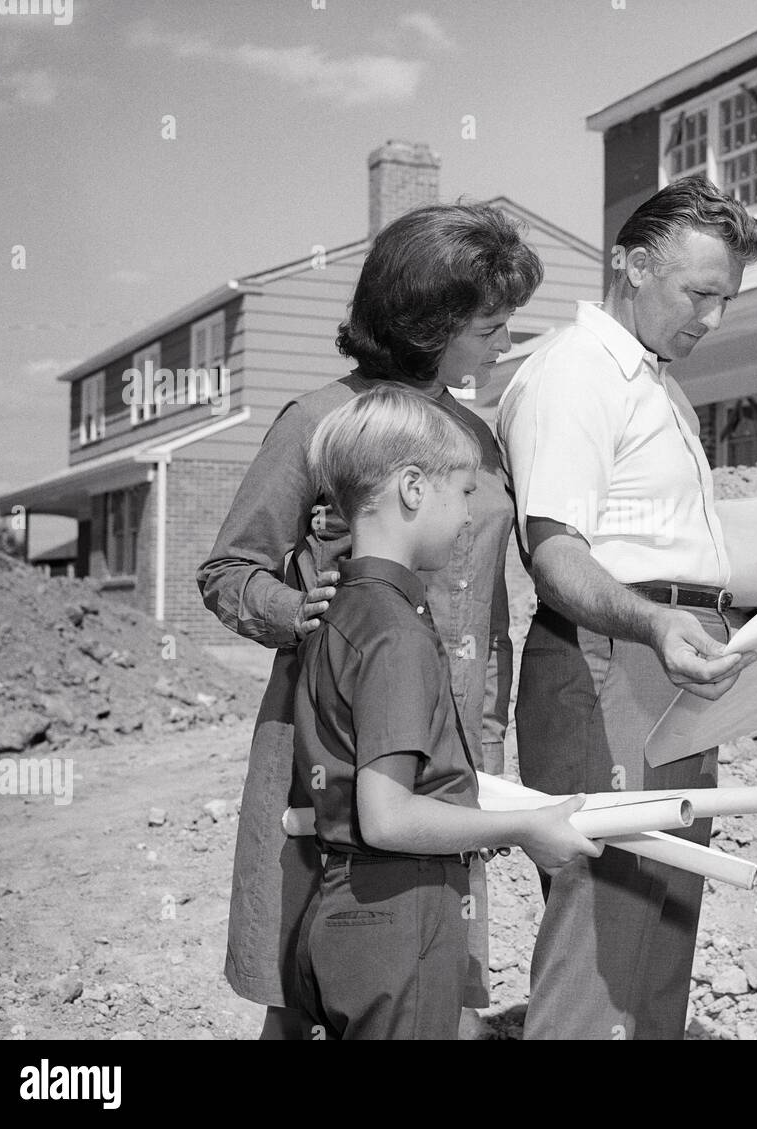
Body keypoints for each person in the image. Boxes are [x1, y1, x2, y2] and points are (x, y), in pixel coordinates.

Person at [197, 202, 542, 1038]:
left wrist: (484, 747)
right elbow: (226, 571)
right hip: (336, 751)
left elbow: (487, 614)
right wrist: (293, 607)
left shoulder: (475, 441)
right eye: (491, 326)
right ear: (429, 325)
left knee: (427, 983)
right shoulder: (319, 422)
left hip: (445, 749)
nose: (503, 344)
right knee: (312, 989)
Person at [496, 175, 757, 1040]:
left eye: (727, 299)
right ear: (632, 264)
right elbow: (556, 553)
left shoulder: (661, 387)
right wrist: (653, 624)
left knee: (666, 907)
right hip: (610, 658)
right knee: (606, 916)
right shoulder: (575, 374)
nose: (712, 319)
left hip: (678, 661)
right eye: (699, 294)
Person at [292, 386, 599, 1040]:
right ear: (410, 488)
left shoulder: (338, 608)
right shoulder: (396, 633)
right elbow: (389, 814)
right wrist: (528, 826)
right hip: (401, 916)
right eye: (463, 491)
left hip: (351, 908)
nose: (469, 516)